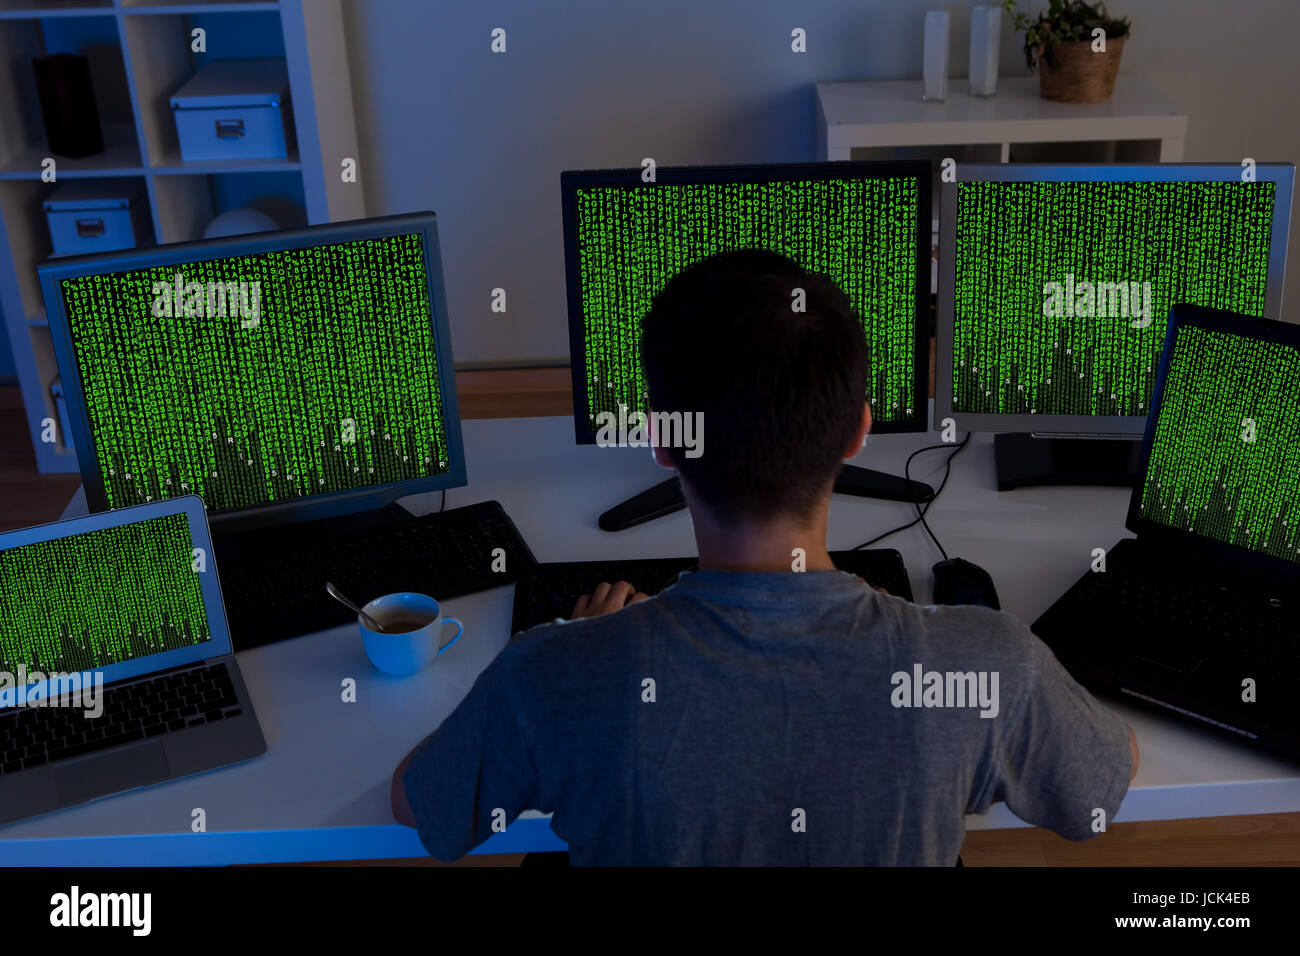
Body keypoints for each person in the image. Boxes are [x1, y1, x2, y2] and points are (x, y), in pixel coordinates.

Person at [391, 249, 1138, 865]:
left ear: (660, 439)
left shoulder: (551, 679)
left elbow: (422, 805)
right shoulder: (991, 669)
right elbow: (1102, 785)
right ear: (857, 433)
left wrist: (572, 647)